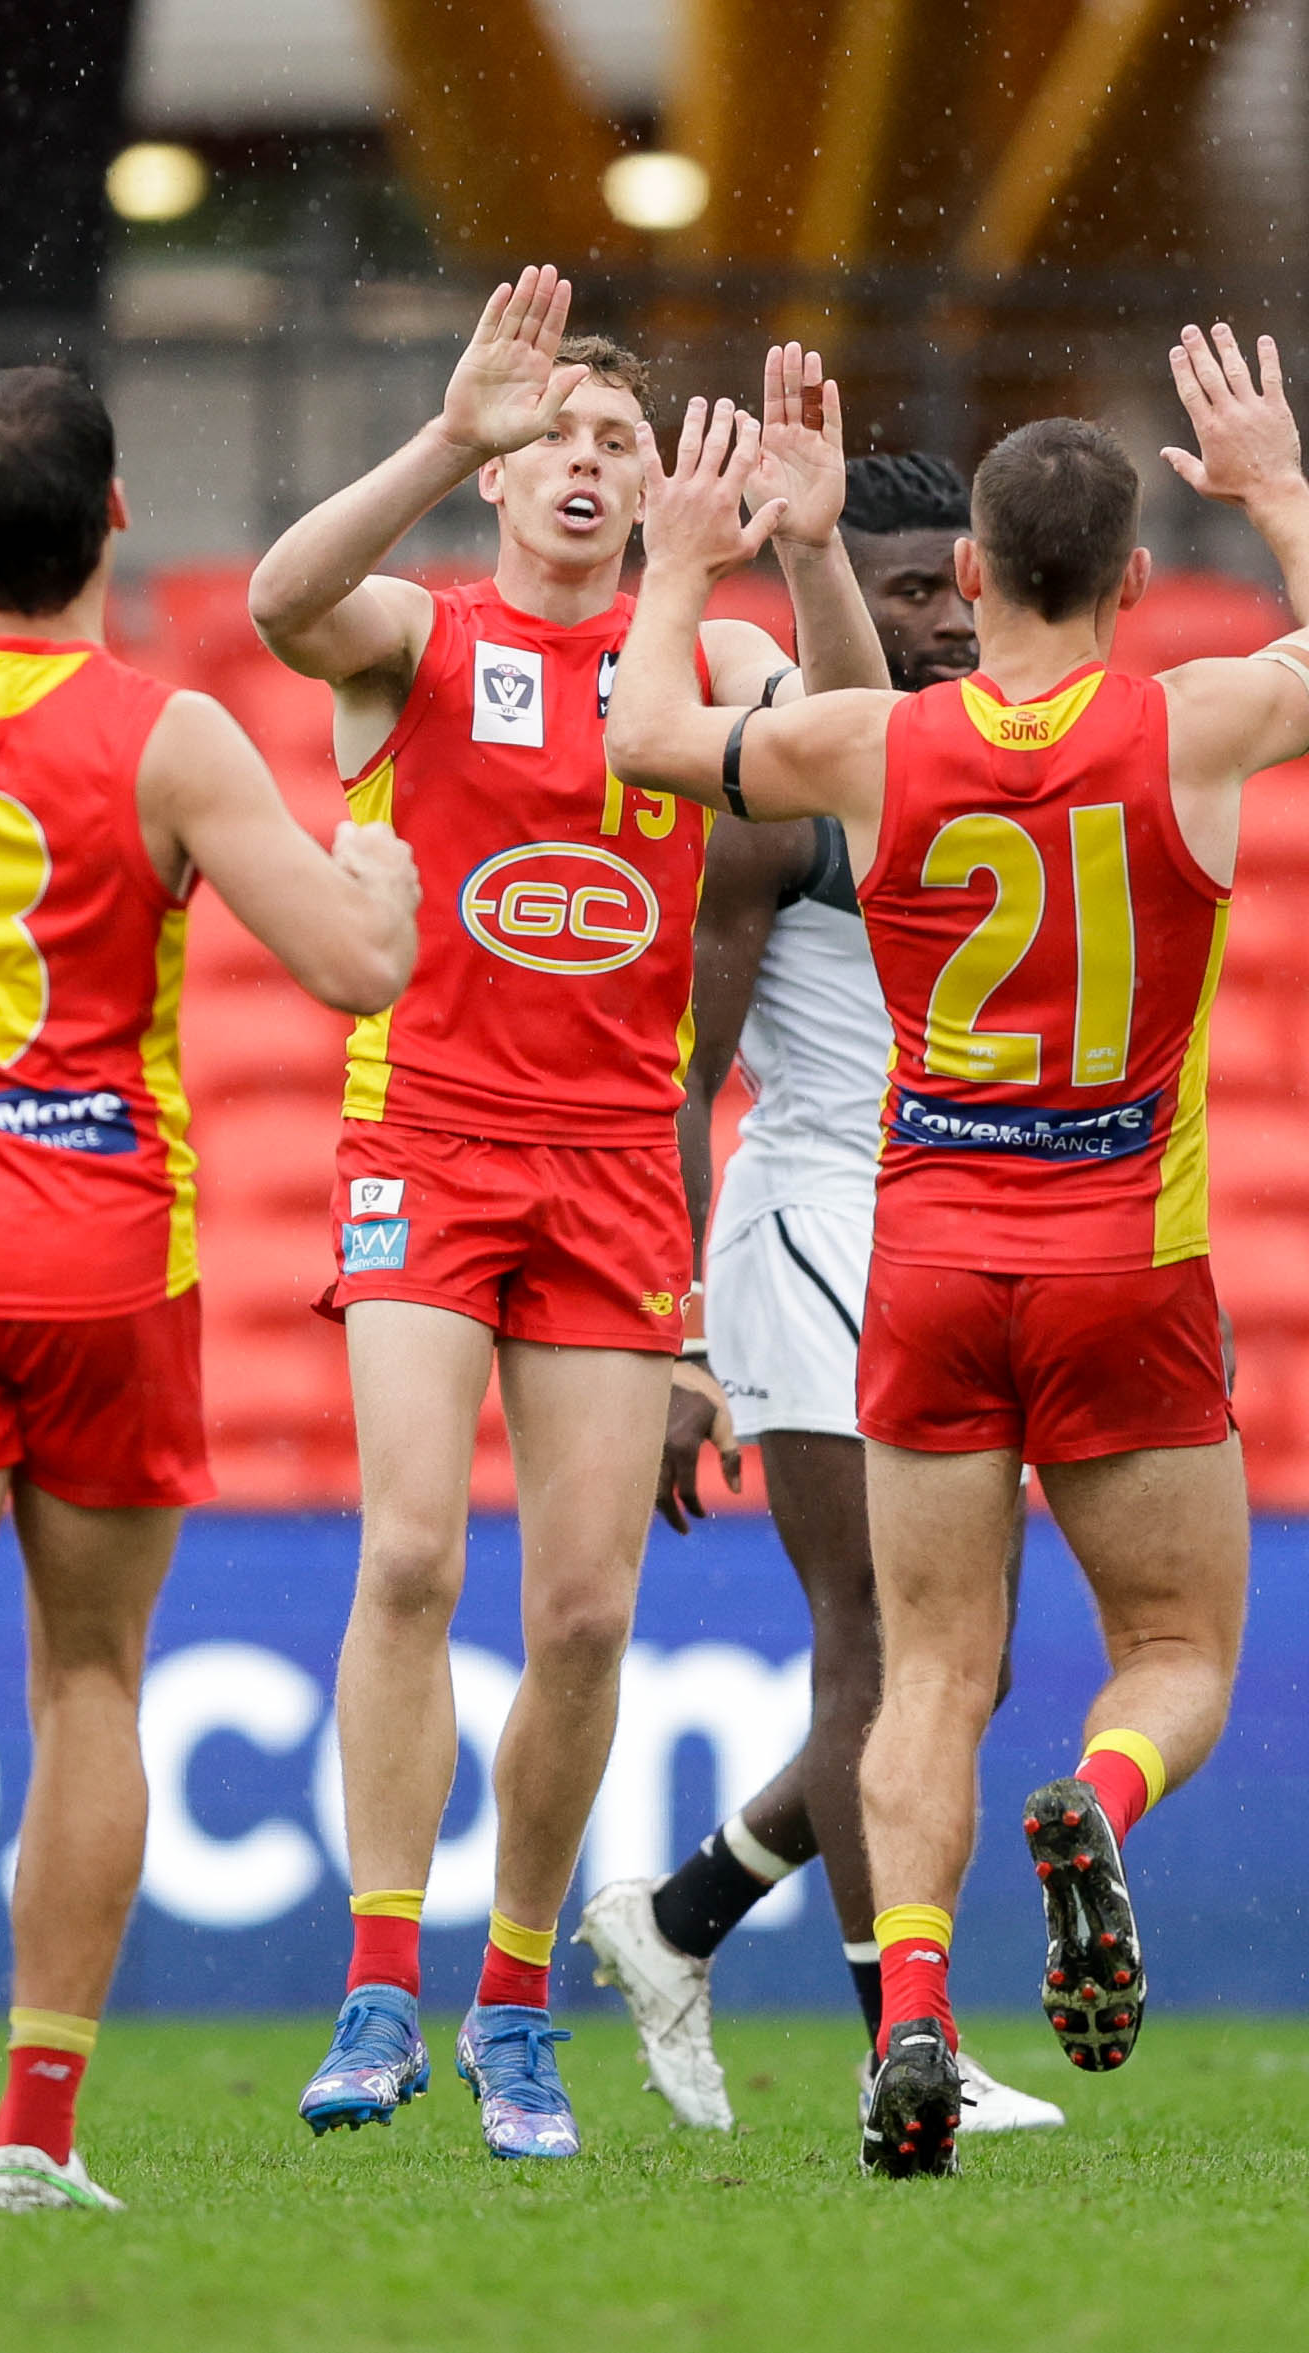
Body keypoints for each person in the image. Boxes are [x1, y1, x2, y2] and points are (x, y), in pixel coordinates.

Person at [603, 326, 1309, 2177]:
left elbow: (643, 736)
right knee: (1175, 1643)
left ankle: (908, 2020)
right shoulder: (1189, 718)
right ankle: (1099, 1804)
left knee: (925, 1671)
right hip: (1124, 1248)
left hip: (928, 1261)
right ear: (1130, 579)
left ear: (963, 575)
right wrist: (1270, 479)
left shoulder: (868, 744)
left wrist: (676, 559)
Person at [0, 366, 418, 2216]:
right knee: (91, 1677)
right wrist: (387, 855)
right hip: (109, 1252)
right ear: (116, 516)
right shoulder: (169, 735)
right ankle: (33, 2129)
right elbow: (360, 967)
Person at [248, 270, 884, 2162]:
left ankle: (510, 1999)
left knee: (589, 1610)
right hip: (423, 1140)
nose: (590, 464)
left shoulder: (690, 674)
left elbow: (858, 731)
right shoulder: (415, 643)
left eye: (621, 439)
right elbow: (280, 598)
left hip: (613, 1168)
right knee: (409, 1556)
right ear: (508, 474)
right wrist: (445, 423)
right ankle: (378, 1979)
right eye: (561, 439)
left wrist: (818, 545)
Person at [579, 451, 1061, 2143]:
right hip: (816, 1228)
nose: (937, 616)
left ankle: (686, 1910)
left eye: (955, 583)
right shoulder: (782, 794)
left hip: (977, 1230)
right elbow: (678, 1079)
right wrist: (677, 1338)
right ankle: (897, 2044)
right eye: (900, 586)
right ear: (825, 588)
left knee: (962, 1667)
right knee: (880, 1641)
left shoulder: (1028, 759)